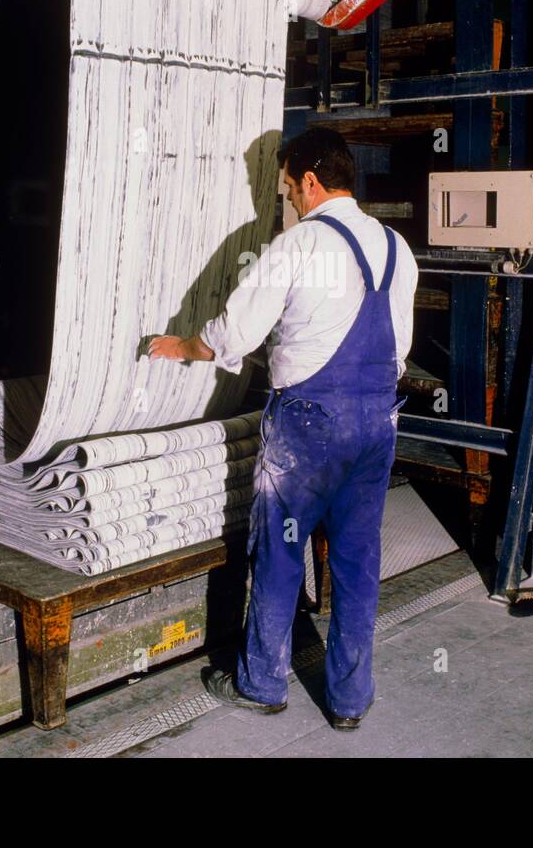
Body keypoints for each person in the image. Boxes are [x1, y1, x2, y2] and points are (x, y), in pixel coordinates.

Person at [148, 127, 417, 729]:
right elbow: (398, 351)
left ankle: (264, 682)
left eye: (287, 186)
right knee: (356, 559)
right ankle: (349, 699)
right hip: (375, 425)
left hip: (307, 429)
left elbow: (234, 336)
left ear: (312, 181)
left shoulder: (299, 247)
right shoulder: (398, 248)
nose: (285, 198)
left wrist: (181, 346)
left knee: (280, 552)